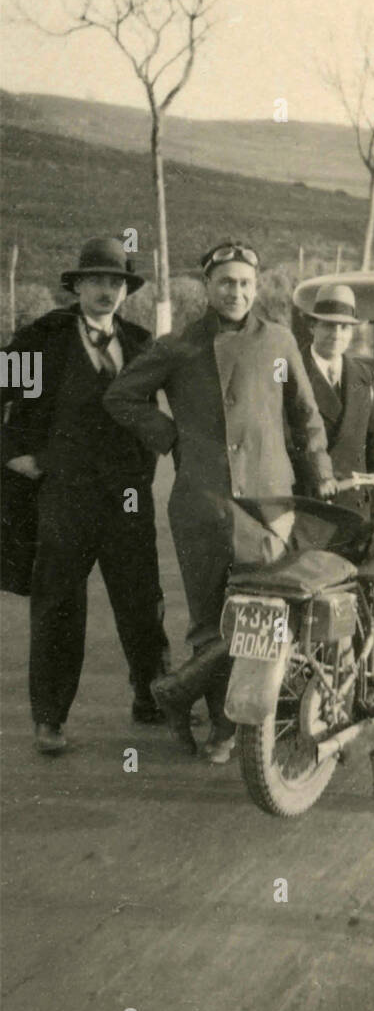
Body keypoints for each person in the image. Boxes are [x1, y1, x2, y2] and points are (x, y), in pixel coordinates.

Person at [105, 240, 334, 762]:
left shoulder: (278, 342)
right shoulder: (177, 346)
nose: (236, 292)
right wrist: (171, 437)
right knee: (210, 619)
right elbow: (120, 396)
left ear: (257, 288)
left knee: (268, 612)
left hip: (268, 507)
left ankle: (239, 708)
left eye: (245, 284)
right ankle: (223, 729)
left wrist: (319, 469)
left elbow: (305, 416)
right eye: (226, 282)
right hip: (201, 505)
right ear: (207, 286)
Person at [0, 236, 168, 753]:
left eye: (115, 282)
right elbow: (3, 397)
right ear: (76, 286)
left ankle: (151, 694)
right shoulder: (41, 340)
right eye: (95, 280)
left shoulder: (140, 345)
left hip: (128, 497)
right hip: (65, 494)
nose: (106, 291)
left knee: (142, 600)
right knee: (58, 605)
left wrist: (146, 464)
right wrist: (14, 454)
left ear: (126, 290)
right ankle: (50, 719)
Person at [300, 283, 374, 515]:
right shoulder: (292, 371)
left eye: (344, 327)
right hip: (309, 501)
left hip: (355, 505)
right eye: (328, 325)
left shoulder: (364, 376)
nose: (337, 334)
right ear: (312, 326)